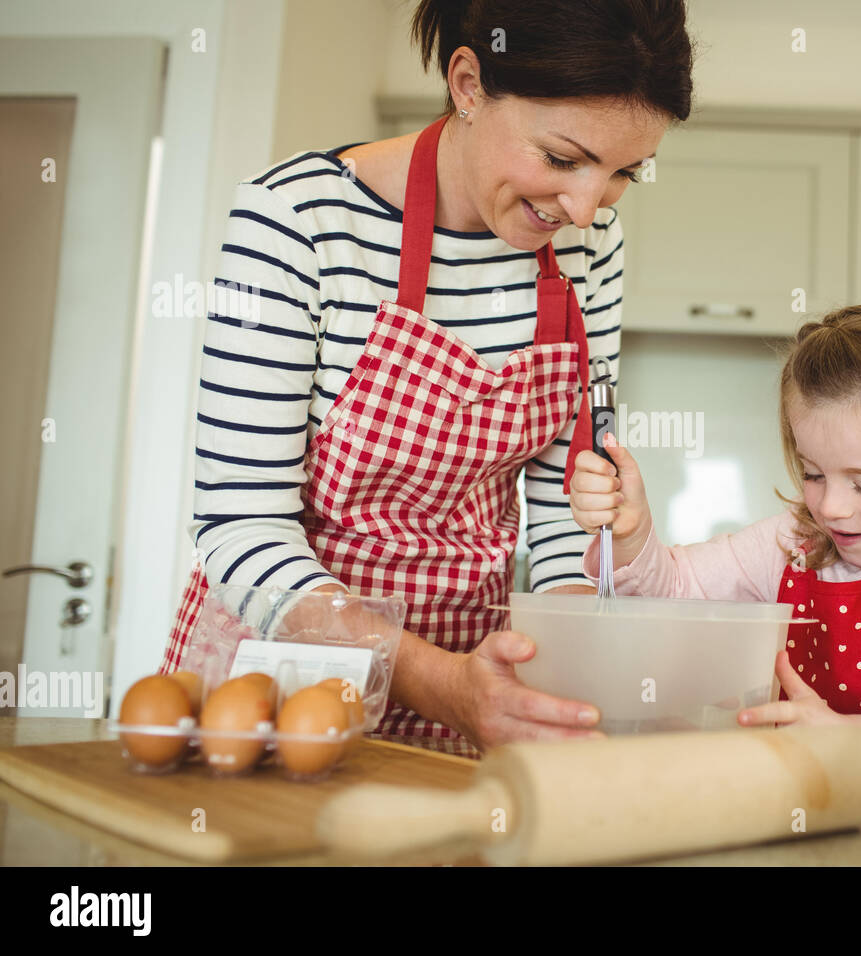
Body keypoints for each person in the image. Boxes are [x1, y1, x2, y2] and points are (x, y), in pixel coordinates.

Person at [162, 0, 695, 756]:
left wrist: (570, 668)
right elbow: (241, 526)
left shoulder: (588, 246)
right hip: (284, 680)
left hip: (482, 676)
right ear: (470, 83)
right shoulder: (297, 222)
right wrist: (435, 680)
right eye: (562, 158)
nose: (584, 208)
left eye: (622, 173)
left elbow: (559, 516)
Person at [569, 299, 861, 770]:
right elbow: (675, 590)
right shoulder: (794, 543)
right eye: (813, 474)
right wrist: (631, 534)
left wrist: (846, 736)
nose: (830, 507)